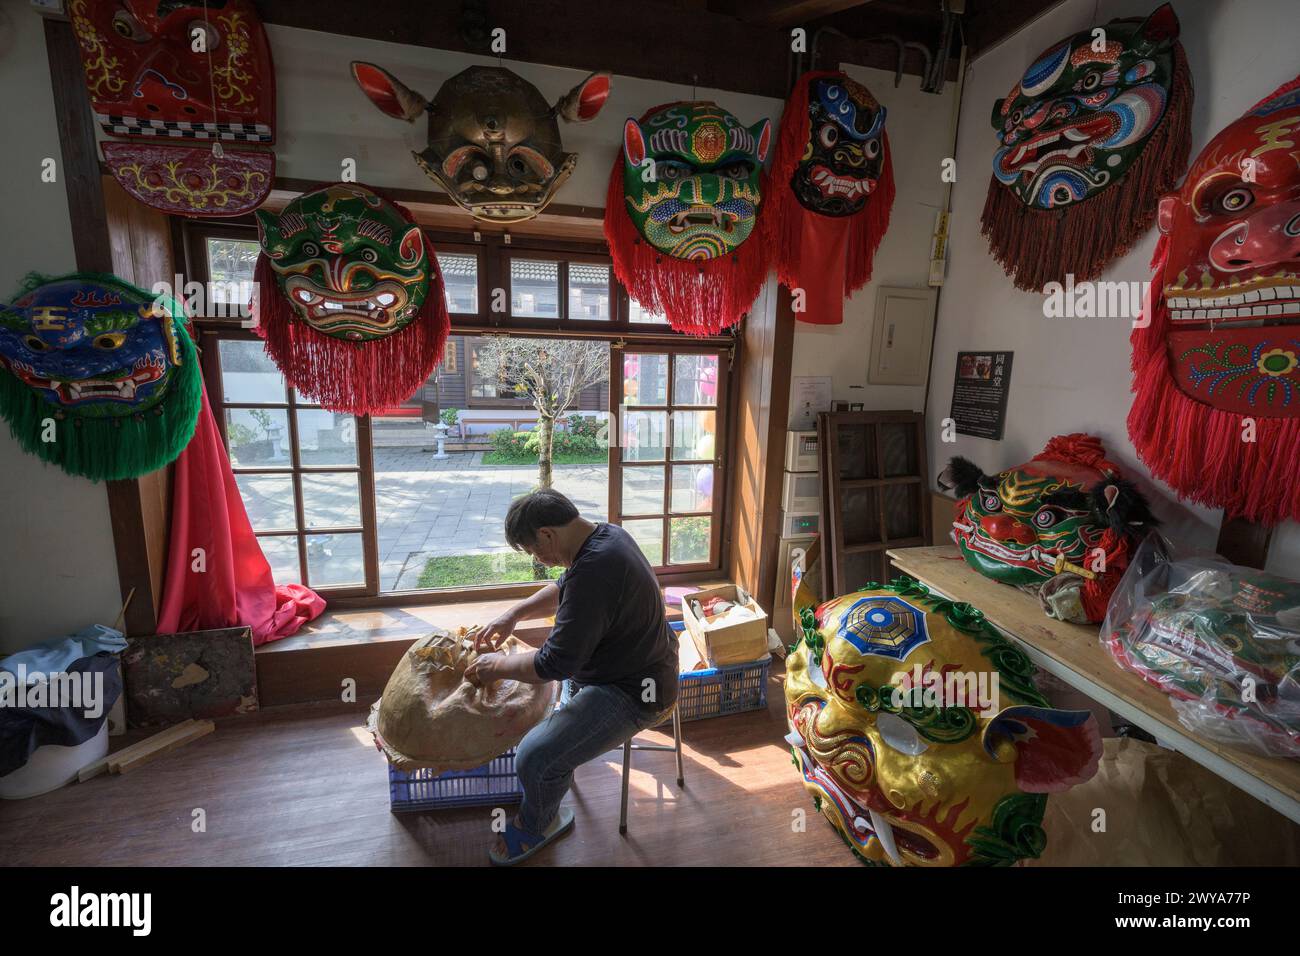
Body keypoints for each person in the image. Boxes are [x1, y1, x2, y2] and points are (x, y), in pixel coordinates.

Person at [464, 488, 678, 866]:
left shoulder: (595, 570)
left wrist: (492, 666)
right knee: (544, 727)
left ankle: (538, 825)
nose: (539, 560)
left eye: (535, 551)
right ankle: (553, 777)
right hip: (627, 662)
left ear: (547, 534)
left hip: (638, 691)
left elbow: (552, 665)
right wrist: (513, 614)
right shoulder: (606, 535)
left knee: (533, 757)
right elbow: (566, 587)